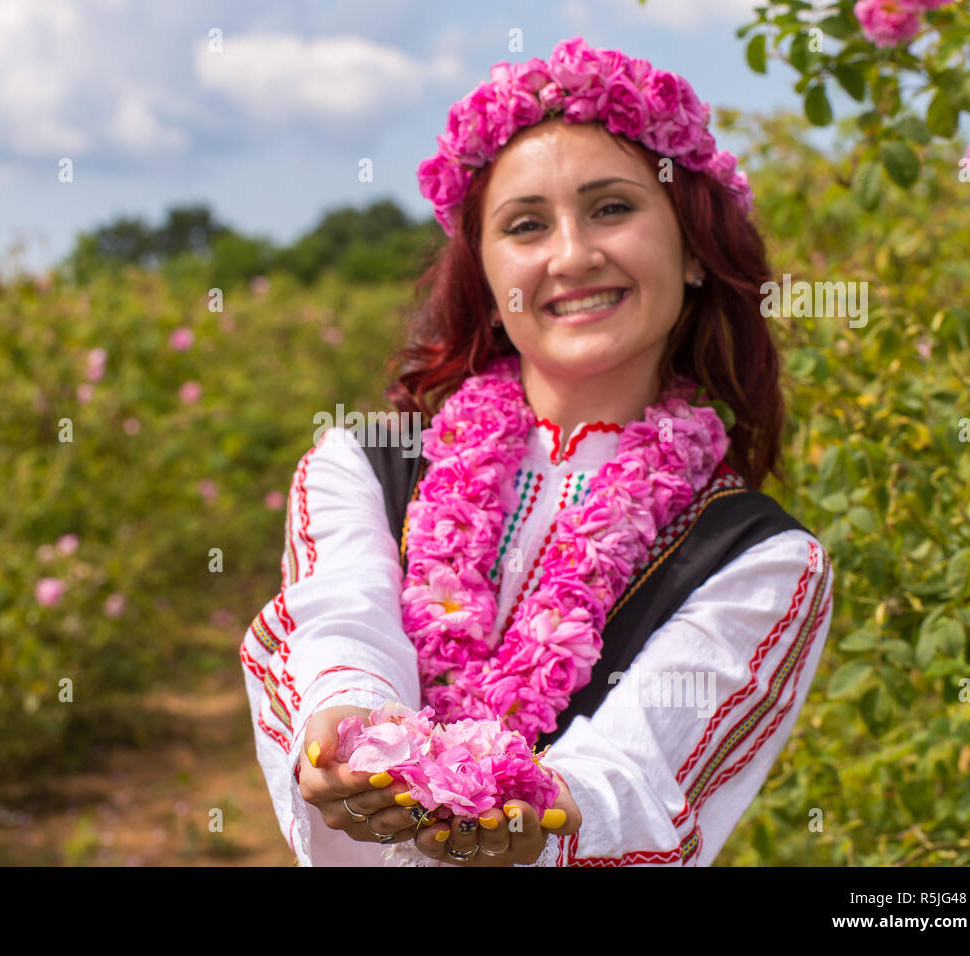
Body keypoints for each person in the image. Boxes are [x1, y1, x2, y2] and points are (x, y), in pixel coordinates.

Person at [240, 36, 835, 866]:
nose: (571, 255)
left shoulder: (761, 557)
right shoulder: (363, 467)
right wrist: (352, 731)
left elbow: (641, 771)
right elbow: (344, 623)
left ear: (694, 250)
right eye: (525, 225)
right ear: (484, 274)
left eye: (613, 208)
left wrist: (532, 811)